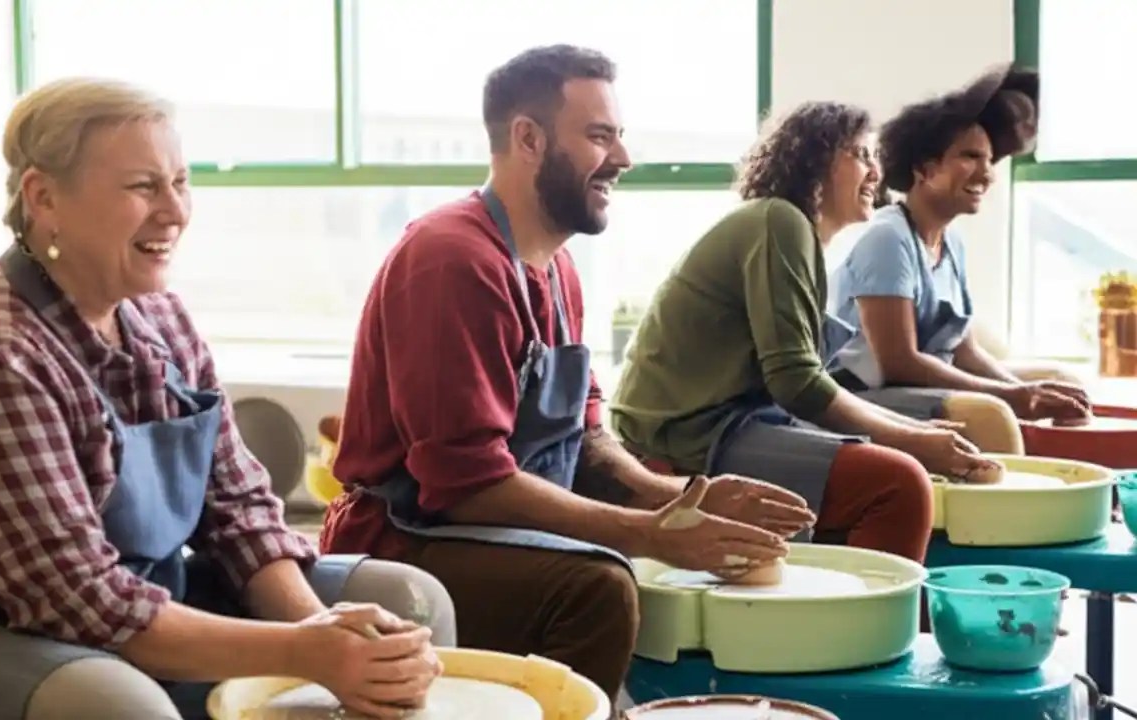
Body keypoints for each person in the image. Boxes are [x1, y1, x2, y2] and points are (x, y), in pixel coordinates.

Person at [0, 78, 453, 720]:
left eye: (180, 181)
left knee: (407, 601)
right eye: (143, 187)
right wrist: (306, 654)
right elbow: (78, 600)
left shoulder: (160, 316)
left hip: (138, 593)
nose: (175, 210)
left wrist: (325, 631)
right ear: (44, 197)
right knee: (119, 706)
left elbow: (240, 513)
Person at [320, 45, 812, 708]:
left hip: (485, 527)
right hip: (403, 538)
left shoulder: (558, 270)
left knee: (648, 572)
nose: (623, 159)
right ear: (528, 138)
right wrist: (643, 533)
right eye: (600, 136)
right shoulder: (451, 259)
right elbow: (461, 484)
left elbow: (583, 434)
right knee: (600, 588)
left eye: (620, 136)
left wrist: (672, 498)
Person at [610, 101, 999, 568]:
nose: (876, 171)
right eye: (860, 154)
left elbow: (800, 380)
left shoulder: (800, 236)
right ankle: (866, 634)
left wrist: (911, 430)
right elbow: (796, 382)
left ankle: (876, 616)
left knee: (895, 466)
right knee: (900, 483)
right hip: (687, 431)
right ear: (814, 159)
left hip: (735, 418)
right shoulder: (779, 221)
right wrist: (908, 439)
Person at [827, 64, 1090, 454]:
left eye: (989, 160)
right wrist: (1013, 398)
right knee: (993, 413)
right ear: (924, 168)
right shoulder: (888, 238)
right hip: (867, 395)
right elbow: (899, 363)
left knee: (1062, 381)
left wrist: (1024, 391)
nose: (986, 174)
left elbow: (964, 351)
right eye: (970, 157)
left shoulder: (952, 246)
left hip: (920, 385)